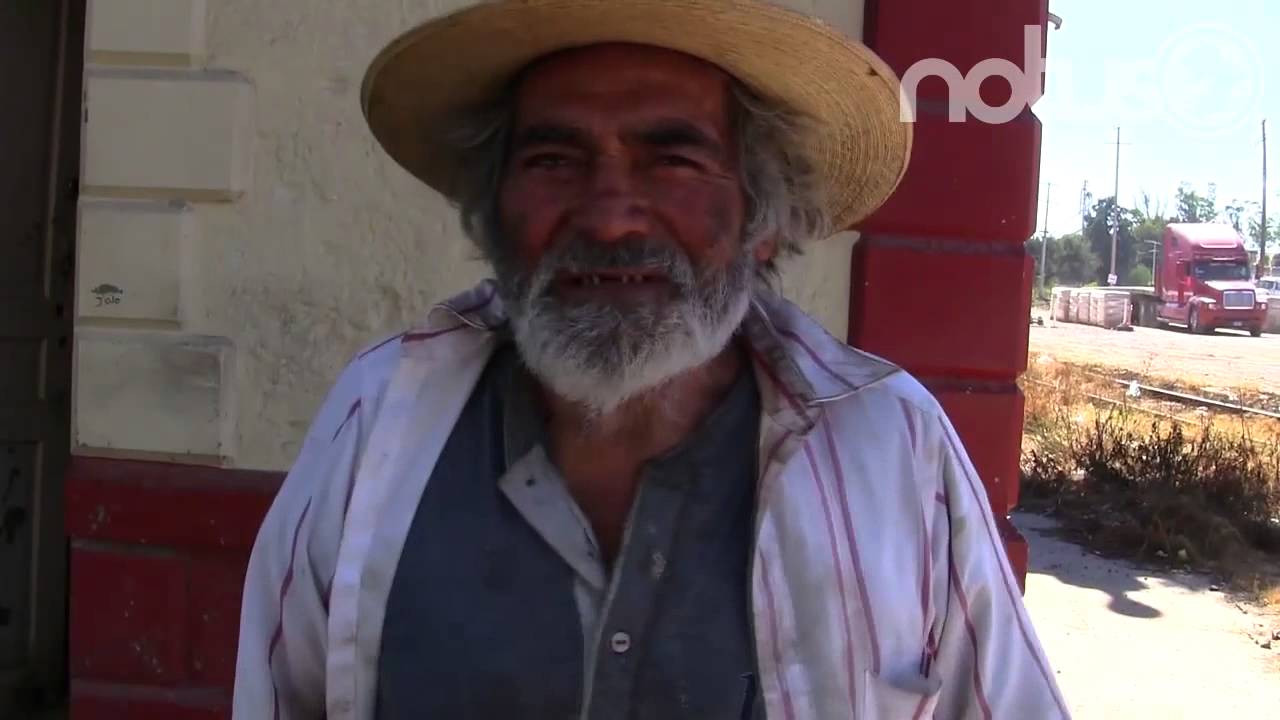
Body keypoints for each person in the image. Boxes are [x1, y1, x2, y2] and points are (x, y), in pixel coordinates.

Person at [234, 1, 1069, 718]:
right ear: (494, 210)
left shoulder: (893, 447)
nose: (608, 217)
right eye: (554, 160)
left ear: (763, 218)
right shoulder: (381, 415)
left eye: (672, 160)